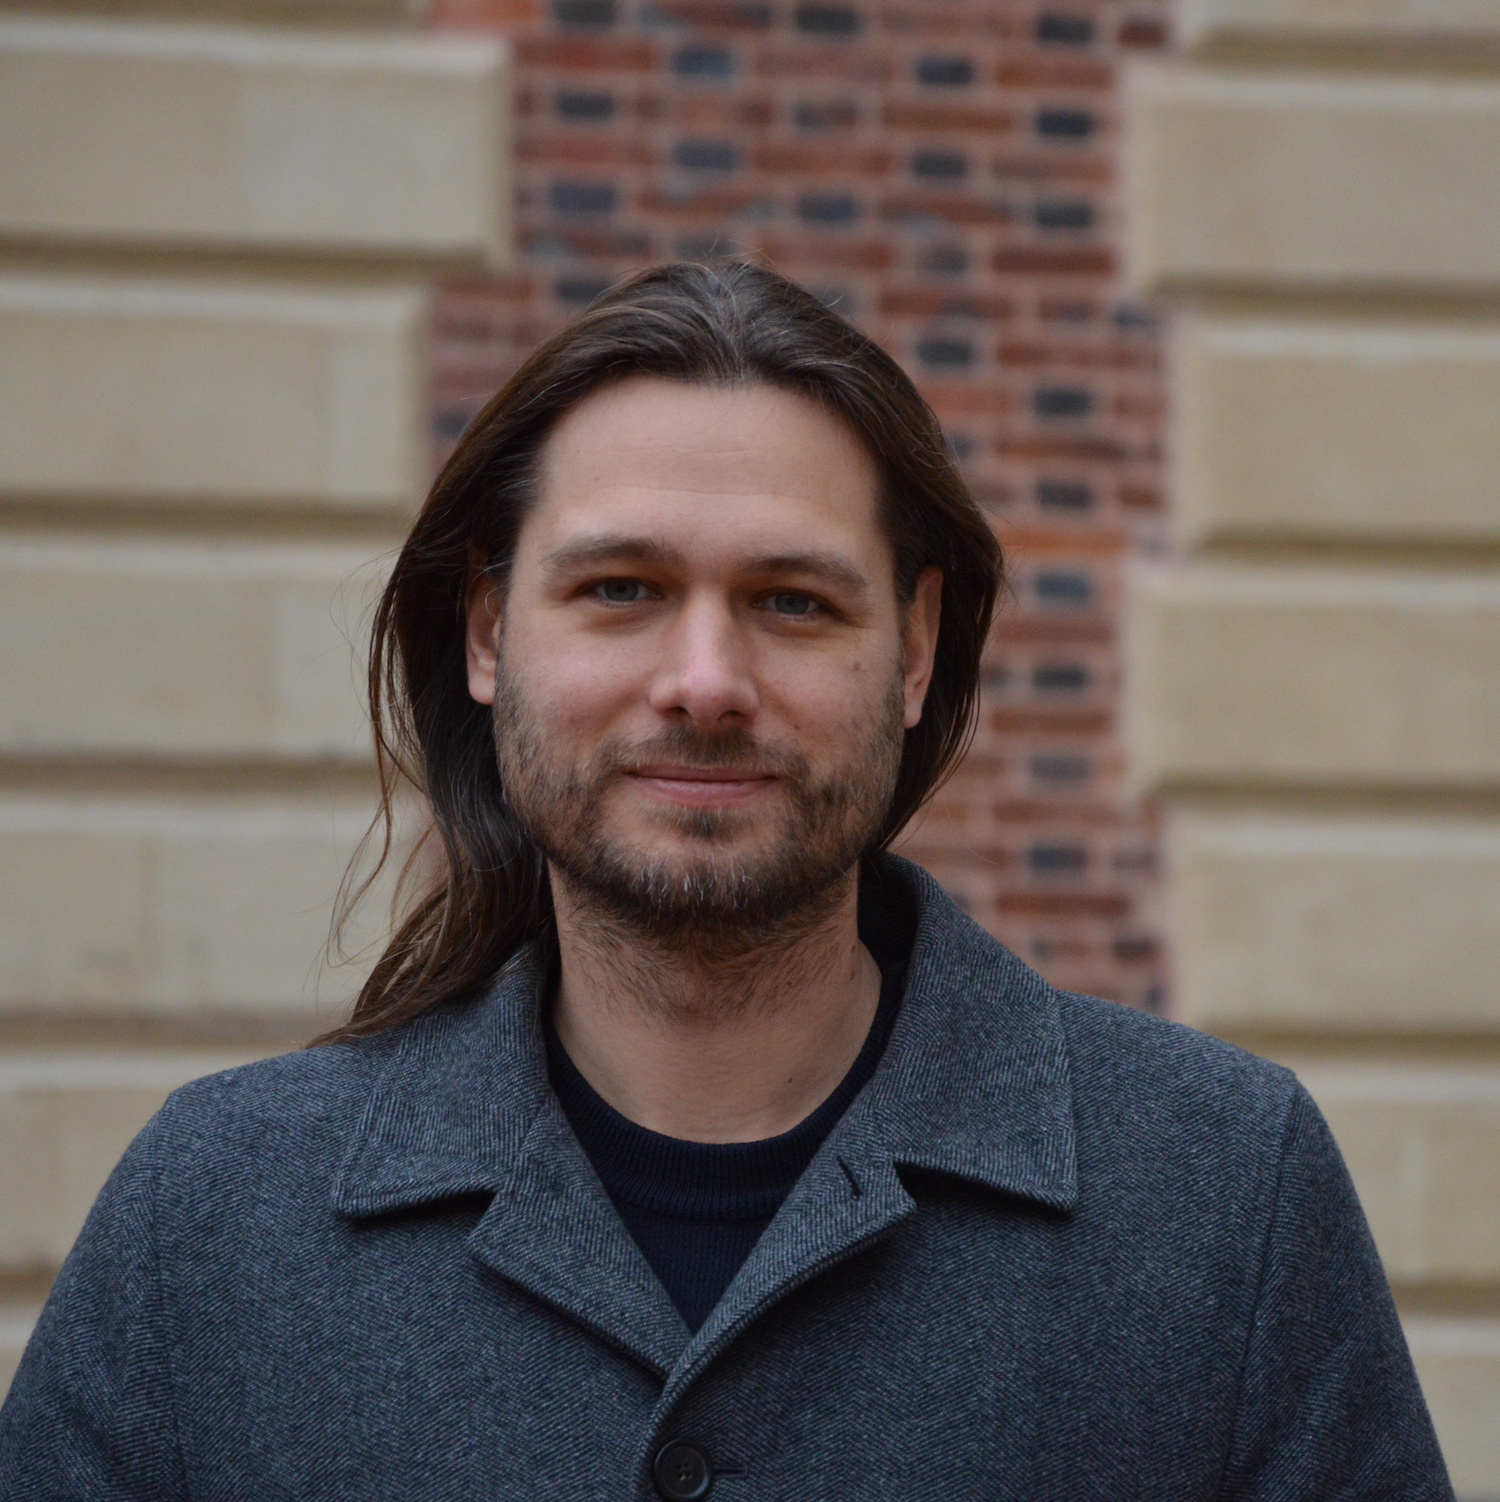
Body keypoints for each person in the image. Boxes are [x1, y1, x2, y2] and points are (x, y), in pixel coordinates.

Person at [0, 262, 1451, 1501]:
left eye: (792, 601)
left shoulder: (1224, 1198)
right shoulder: (209, 1219)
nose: (705, 684)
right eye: (620, 588)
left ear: (918, 649)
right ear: (491, 630)